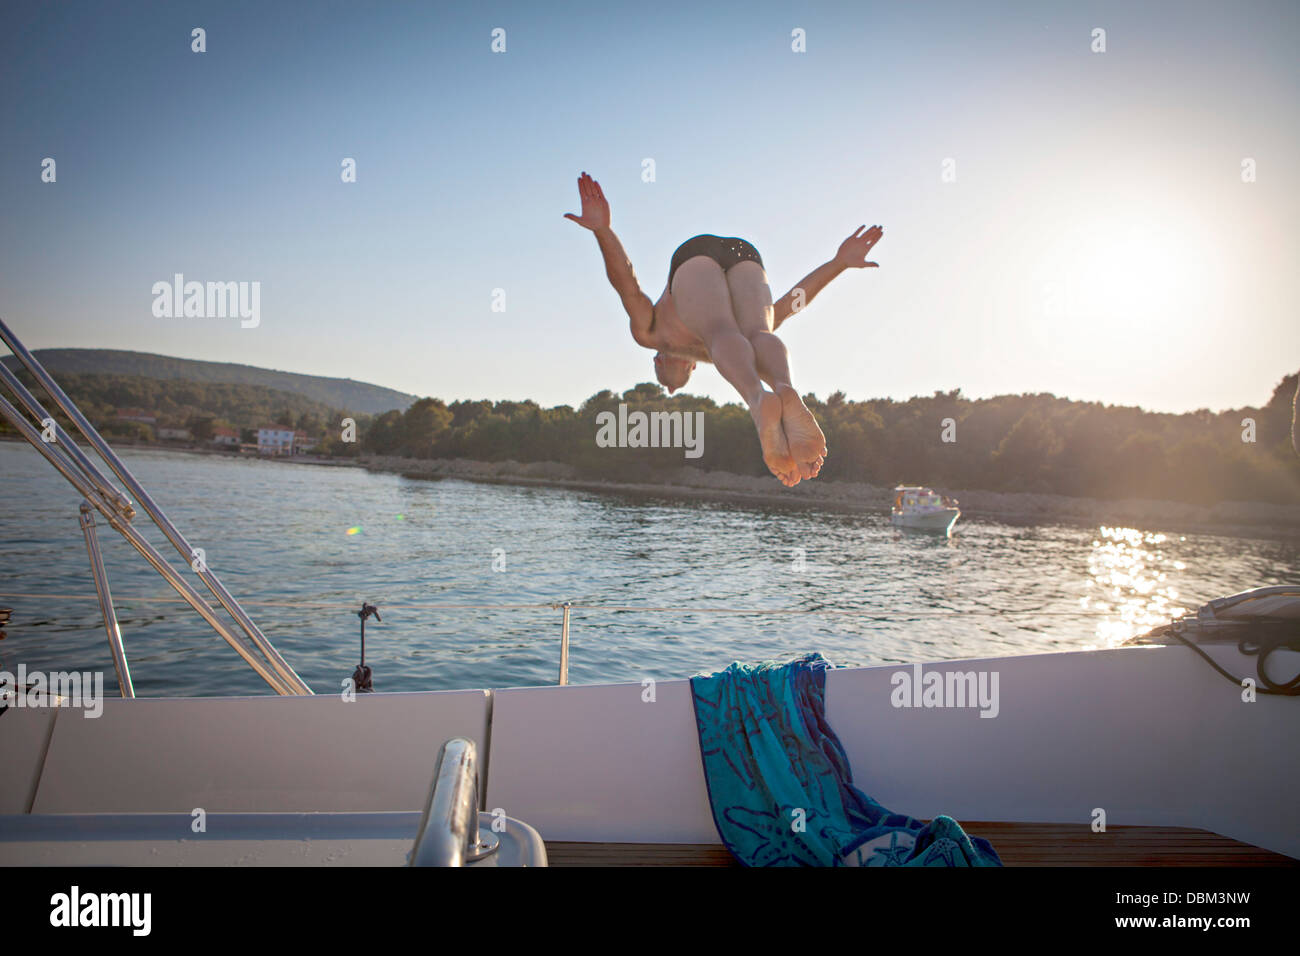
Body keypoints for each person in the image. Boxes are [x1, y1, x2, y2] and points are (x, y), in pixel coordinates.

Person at [565, 171, 883, 486]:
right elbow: (793, 301)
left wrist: (604, 232)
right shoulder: (724, 351)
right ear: (690, 364)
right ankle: (783, 388)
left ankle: (759, 399)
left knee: (723, 330)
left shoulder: (652, 333)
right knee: (760, 333)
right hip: (743, 256)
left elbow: (628, 285)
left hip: (698, 258)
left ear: (665, 359)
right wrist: (838, 264)